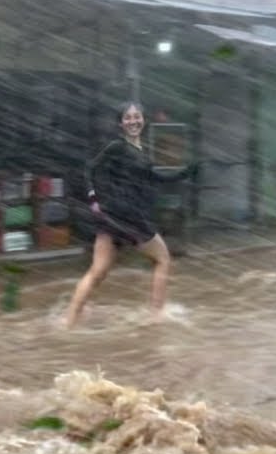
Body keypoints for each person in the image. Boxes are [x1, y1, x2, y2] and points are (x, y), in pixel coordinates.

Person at [63, 102, 197, 329]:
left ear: (143, 121)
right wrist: (93, 199)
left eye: (137, 117)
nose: (133, 121)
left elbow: (155, 178)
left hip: (112, 218)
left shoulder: (141, 152)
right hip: (128, 218)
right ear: (120, 123)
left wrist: (184, 174)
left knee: (98, 272)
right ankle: (157, 316)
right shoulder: (117, 146)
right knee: (163, 259)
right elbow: (89, 169)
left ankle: (68, 322)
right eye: (128, 117)